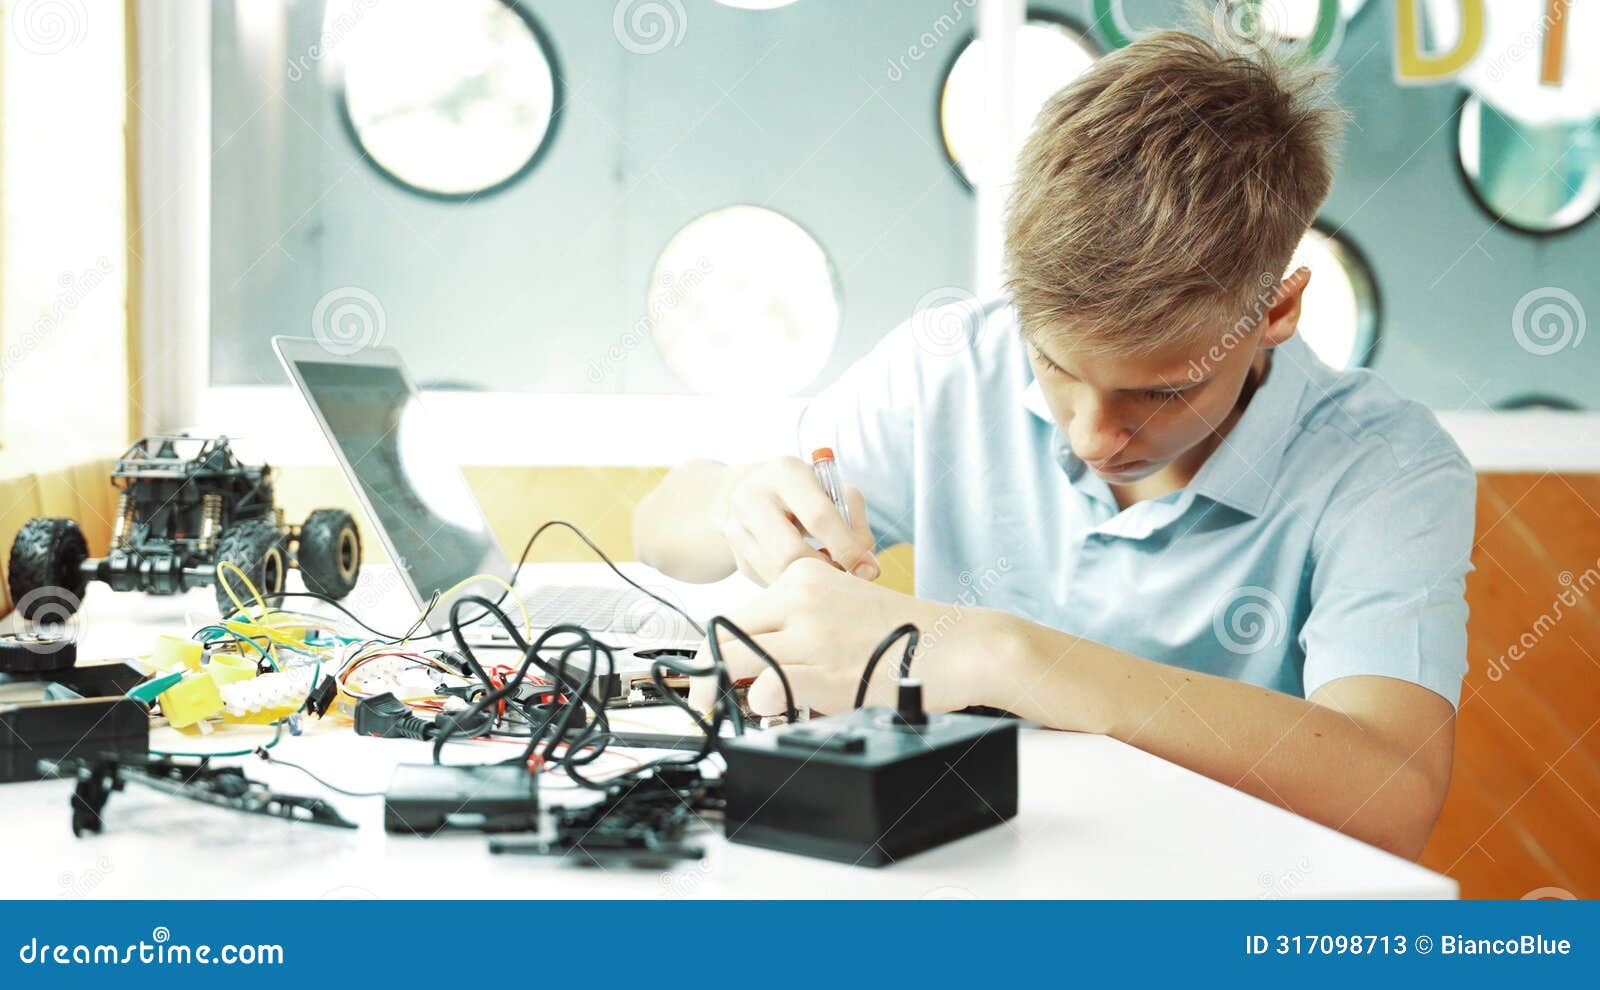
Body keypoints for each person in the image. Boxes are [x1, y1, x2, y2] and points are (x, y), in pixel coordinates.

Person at [633, 28, 1474, 860]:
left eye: (1162, 390)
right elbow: (659, 529)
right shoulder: (952, 368)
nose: (1093, 435)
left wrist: (1001, 656)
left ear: (1276, 310)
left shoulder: (1386, 468)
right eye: (1057, 366)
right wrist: (734, 500)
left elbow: (1392, 797)